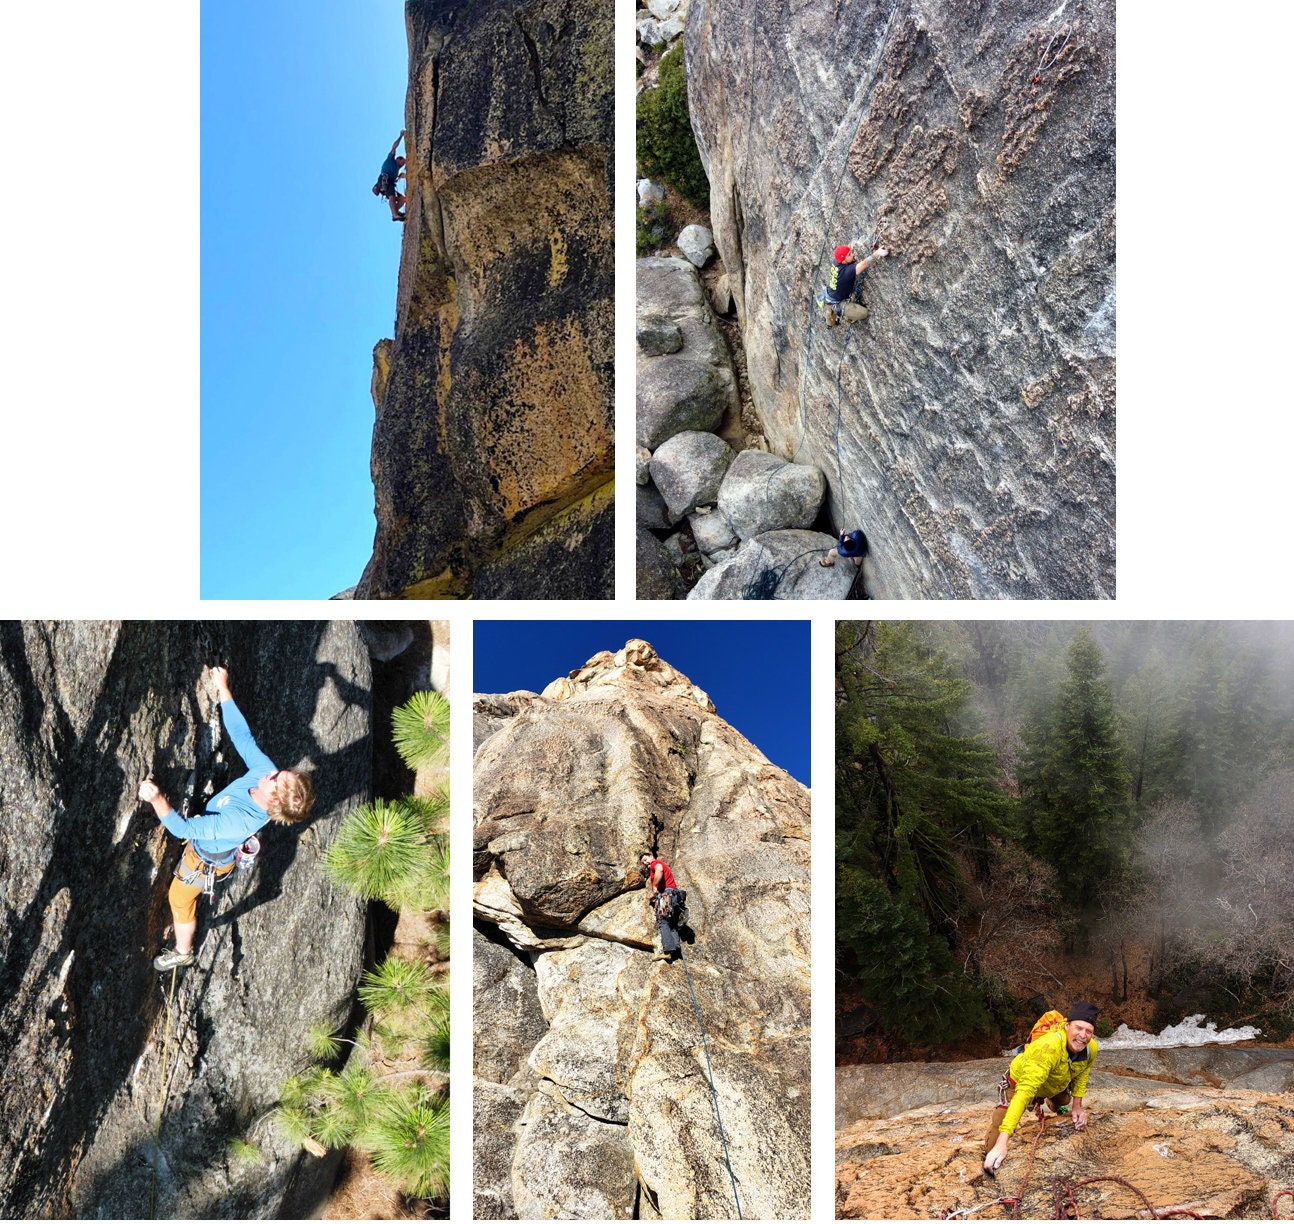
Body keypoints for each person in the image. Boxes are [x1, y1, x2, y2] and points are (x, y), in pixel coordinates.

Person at [139, 666, 315, 971]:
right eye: (278, 772)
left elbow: (182, 828)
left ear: (273, 798)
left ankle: (183, 951)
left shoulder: (239, 821)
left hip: (205, 856)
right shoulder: (265, 774)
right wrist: (224, 689)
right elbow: (243, 739)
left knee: (179, 899)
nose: (270, 771)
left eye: (275, 777)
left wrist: (156, 798)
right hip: (214, 841)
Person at [983, 1003, 1100, 1175]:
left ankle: (1056, 1104)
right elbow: (1024, 1093)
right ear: (1067, 1026)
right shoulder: (1048, 1047)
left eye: (1088, 1031)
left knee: (1064, 1101)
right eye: (1078, 1028)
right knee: (1001, 1123)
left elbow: (1083, 1072)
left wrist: (1077, 1106)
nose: (1083, 1036)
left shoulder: (1091, 1049)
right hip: (1021, 1083)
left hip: (1053, 1083)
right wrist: (1003, 1141)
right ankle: (988, 1156)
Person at [819, 243, 888, 325]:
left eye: (851, 252)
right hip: (837, 302)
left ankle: (834, 312)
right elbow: (863, 265)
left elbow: (847, 258)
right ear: (844, 259)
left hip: (832, 293)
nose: (853, 254)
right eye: (849, 254)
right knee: (864, 313)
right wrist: (876, 253)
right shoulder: (846, 272)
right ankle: (842, 313)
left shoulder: (836, 261)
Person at [640, 852, 686, 963]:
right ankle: (675, 949)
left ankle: (667, 951)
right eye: (643, 863)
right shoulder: (659, 865)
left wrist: (655, 886)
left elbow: (659, 869)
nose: (646, 863)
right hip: (674, 896)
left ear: (651, 856)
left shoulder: (656, 863)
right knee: (671, 923)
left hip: (665, 895)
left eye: (646, 859)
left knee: (663, 921)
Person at [372, 130, 408, 221]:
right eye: (402, 162)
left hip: (390, 183)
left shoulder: (397, 171)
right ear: (398, 159)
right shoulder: (391, 160)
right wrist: (400, 136)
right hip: (384, 179)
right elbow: (394, 147)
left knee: (403, 199)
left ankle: (395, 211)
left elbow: (400, 176)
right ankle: (395, 215)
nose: (403, 164)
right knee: (392, 196)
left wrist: (404, 176)